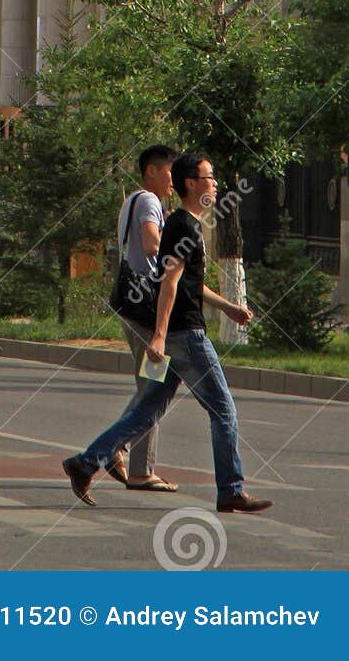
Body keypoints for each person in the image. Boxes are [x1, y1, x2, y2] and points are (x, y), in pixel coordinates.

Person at [63, 151, 272, 515]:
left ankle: (86, 462)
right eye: (209, 178)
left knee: (147, 410)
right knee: (224, 410)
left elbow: (186, 282)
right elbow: (169, 282)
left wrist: (227, 306)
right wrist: (158, 335)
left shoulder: (179, 223)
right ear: (191, 183)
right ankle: (231, 490)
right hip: (186, 337)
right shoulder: (184, 226)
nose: (215, 184)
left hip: (174, 337)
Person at [109, 145, 179, 493]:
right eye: (169, 172)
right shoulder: (149, 200)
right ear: (151, 171)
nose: (173, 180)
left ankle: (115, 446)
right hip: (145, 306)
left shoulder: (132, 201)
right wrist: (179, 239)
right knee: (153, 387)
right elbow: (152, 245)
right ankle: (137, 468)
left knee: (150, 384)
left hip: (132, 302)